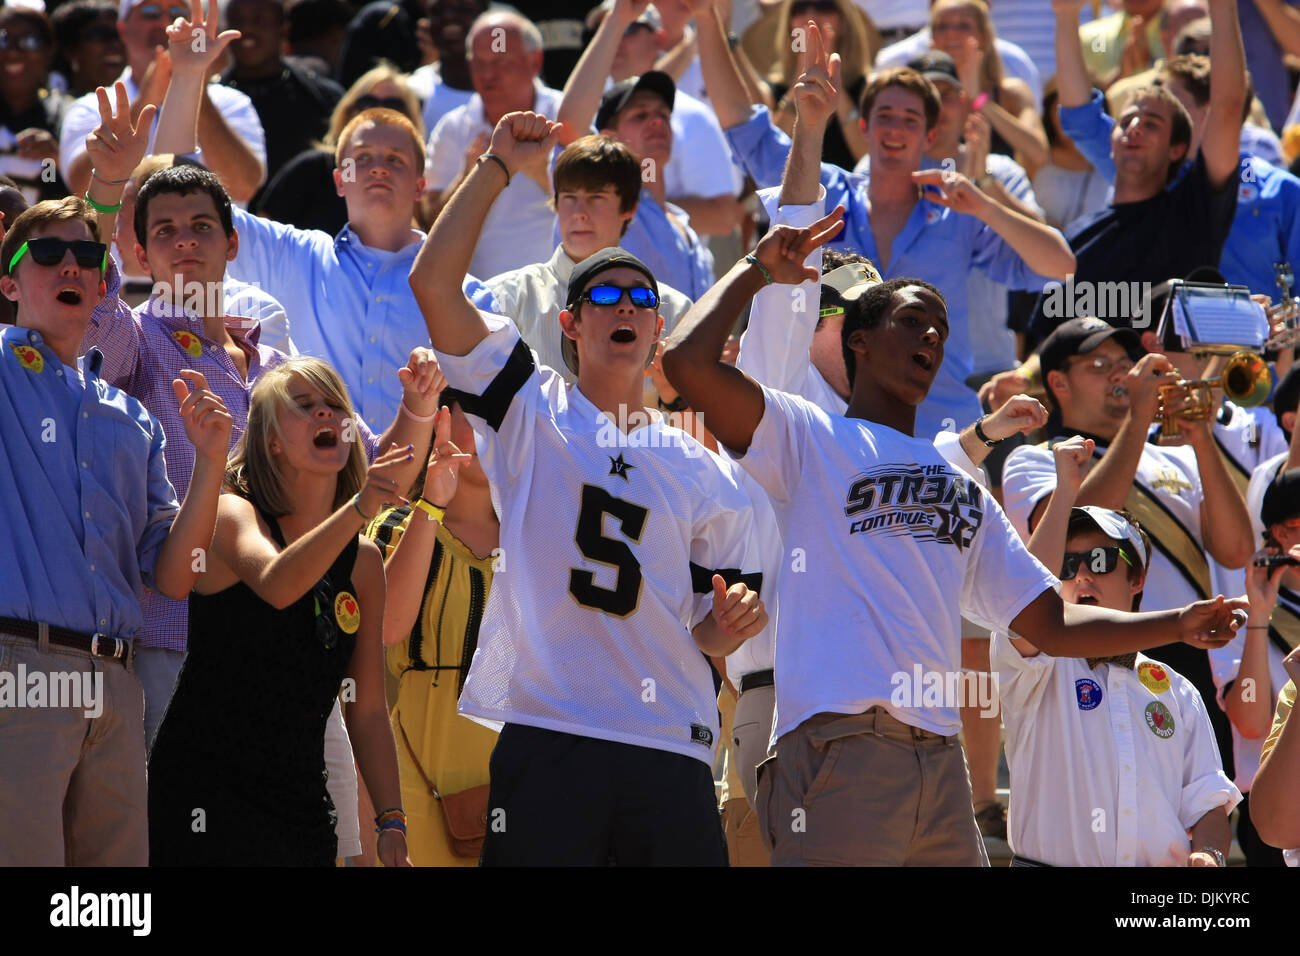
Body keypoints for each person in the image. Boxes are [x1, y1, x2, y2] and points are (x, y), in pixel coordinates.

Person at [661, 203, 1246, 867]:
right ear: (858, 338)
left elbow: (1050, 625)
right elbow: (685, 362)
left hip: (942, 762)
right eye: (911, 321)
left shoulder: (957, 476)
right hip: (839, 748)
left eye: (939, 329)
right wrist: (756, 270)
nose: (931, 336)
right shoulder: (807, 434)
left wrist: (1180, 621)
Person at [412, 110, 769, 865]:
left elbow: (701, 630)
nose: (627, 309)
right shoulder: (529, 408)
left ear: (658, 332)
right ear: (570, 325)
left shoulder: (704, 469)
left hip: (668, 741)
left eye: (642, 300)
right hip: (553, 735)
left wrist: (728, 622)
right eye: (604, 299)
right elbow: (433, 282)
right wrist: (497, 165)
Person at [699, 14, 1074, 438]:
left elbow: (1060, 266)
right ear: (864, 125)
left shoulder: (957, 212)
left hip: (941, 432)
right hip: (832, 433)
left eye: (910, 119)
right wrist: (704, 18)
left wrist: (986, 205)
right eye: (886, 115)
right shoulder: (821, 189)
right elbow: (740, 122)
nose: (895, 129)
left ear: (930, 136)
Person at [0, 195, 232, 866]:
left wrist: (212, 464)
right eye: (47, 253)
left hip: (117, 679)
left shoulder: (133, 419)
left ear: (106, 283)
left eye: (88, 256)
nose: (69, 265)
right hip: (20, 668)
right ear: (9, 281)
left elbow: (174, 575)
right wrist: (104, 184)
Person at [147, 358, 413, 867]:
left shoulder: (363, 561)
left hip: (300, 807)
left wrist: (391, 820)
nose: (324, 416)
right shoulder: (234, 514)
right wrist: (357, 509)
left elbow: (369, 707)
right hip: (204, 799)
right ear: (271, 442)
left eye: (334, 406)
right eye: (305, 406)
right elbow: (276, 584)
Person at [1000, 317, 1254, 782]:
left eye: (1125, 362)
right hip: (1085, 653)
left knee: (1192, 803)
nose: (1120, 374)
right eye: (1100, 364)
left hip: (1187, 652)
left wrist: (1198, 436)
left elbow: (1237, 550)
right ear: (1058, 382)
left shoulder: (1174, 455)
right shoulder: (1033, 459)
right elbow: (1082, 528)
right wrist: (1141, 419)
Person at [993, 440, 1240, 867]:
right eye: (1068, 566)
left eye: (1102, 559)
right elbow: (1025, 605)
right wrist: (1066, 491)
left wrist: (1210, 856)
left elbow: (1208, 803)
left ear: (1138, 578)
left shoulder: (1178, 691)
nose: (1083, 574)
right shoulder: (1034, 664)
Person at [1026, 0, 1245, 344]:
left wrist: (1222, 7)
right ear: (1111, 143)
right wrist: (1066, 15)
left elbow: (1229, 106)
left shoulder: (1193, 208)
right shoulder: (1080, 238)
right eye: (1126, 121)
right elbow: (1046, 347)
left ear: (1177, 149)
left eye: (1152, 123)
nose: (1135, 128)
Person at [365, 395, 501, 867]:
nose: (492, 430)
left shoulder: (537, 532)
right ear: (442, 420)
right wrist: (434, 504)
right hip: (418, 765)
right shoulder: (398, 523)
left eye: (504, 417)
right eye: (477, 416)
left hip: (522, 767)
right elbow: (386, 628)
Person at [485, 134, 693, 390]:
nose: (579, 213)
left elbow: (692, 421)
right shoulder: (504, 299)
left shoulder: (675, 311)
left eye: (596, 197)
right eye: (569, 197)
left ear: (628, 207)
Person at [58, 0, 267, 204]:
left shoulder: (231, 102)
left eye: (177, 12)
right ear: (123, 29)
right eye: (150, 12)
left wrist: (191, 80)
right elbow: (80, 189)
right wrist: (146, 100)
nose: (166, 21)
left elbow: (244, 188)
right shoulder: (92, 106)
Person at [421, 10, 561, 278]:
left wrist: (541, 173)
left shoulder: (566, 116)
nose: (488, 75)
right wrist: (467, 177)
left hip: (557, 297)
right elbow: (431, 223)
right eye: (479, 63)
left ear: (535, 61)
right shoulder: (452, 128)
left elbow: (600, 207)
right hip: (478, 301)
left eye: (501, 62)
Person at [258, 64, 423, 236]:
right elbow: (264, 237)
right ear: (348, 112)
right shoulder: (314, 169)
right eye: (368, 103)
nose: (377, 113)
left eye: (393, 106)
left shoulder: (410, 174)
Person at [220, 0, 344, 208]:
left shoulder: (322, 98)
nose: (248, 29)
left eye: (260, 20)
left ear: (283, 30)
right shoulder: (208, 101)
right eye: (238, 21)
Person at [925, 0, 1047, 168]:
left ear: (984, 37)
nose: (951, 34)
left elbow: (1039, 154)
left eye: (963, 26)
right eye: (942, 27)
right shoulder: (923, 94)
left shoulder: (1011, 93)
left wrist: (979, 100)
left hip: (999, 190)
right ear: (932, 39)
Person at [766, 0, 874, 168]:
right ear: (789, 24)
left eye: (824, 6)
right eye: (800, 8)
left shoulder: (866, 87)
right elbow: (768, 156)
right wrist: (801, 74)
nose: (811, 17)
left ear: (844, 22)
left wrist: (832, 74)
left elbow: (867, 158)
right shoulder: (773, 89)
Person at [0, 7, 70, 204]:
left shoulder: (65, 116)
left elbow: (62, 189)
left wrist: (56, 159)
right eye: (2, 39)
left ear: (49, 52)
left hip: (40, 230)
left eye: (29, 41)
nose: (13, 51)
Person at [409, 0, 483, 135]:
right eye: (438, 10)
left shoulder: (518, 89)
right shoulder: (414, 90)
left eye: (464, 8)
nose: (449, 16)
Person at [50, 1, 128, 98]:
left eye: (121, 35)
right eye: (101, 34)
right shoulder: (55, 110)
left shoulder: (148, 103)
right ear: (71, 49)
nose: (116, 44)